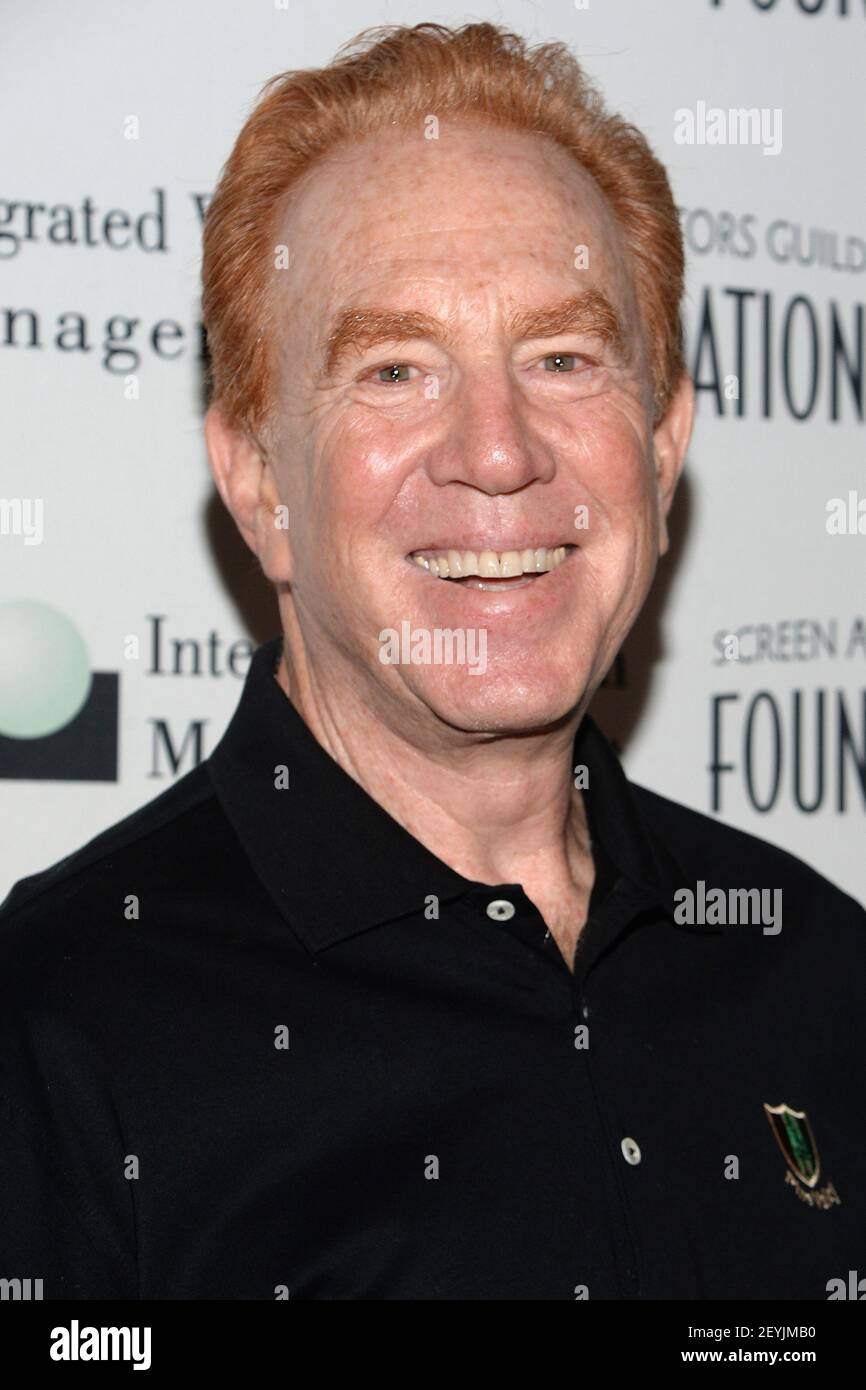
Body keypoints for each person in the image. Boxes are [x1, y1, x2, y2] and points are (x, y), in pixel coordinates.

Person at [1, 21, 863, 1301]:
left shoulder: (812, 964)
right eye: (395, 369)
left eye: (562, 358)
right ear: (255, 482)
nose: (499, 450)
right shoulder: (52, 1025)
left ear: (664, 445)